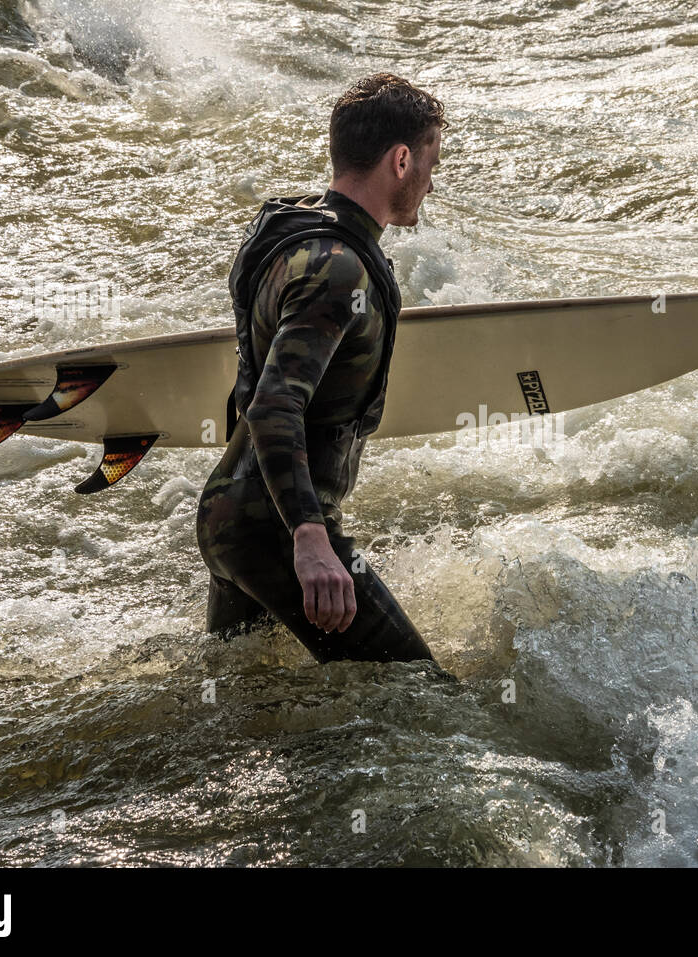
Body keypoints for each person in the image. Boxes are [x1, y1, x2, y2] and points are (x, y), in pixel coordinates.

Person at [196, 73, 446, 663]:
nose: (432, 181)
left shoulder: (295, 234)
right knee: (418, 692)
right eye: (431, 163)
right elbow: (274, 403)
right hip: (274, 526)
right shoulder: (336, 270)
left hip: (237, 515)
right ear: (401, 160)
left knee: (248, 693)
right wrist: (309, 539)